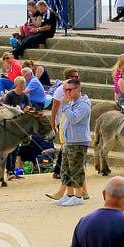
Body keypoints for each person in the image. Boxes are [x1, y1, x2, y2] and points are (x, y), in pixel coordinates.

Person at [53, 74, 91, 206]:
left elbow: (74, 119)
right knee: (65, 169)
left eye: (69, 90)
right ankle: (69, 194)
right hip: (69, 141)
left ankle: (79, 196)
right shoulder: (71, 103)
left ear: (77, 89)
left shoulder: (84, 105)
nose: (66, 92)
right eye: (65, 90)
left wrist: (64, 106)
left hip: (78, 142)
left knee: (76, 169)